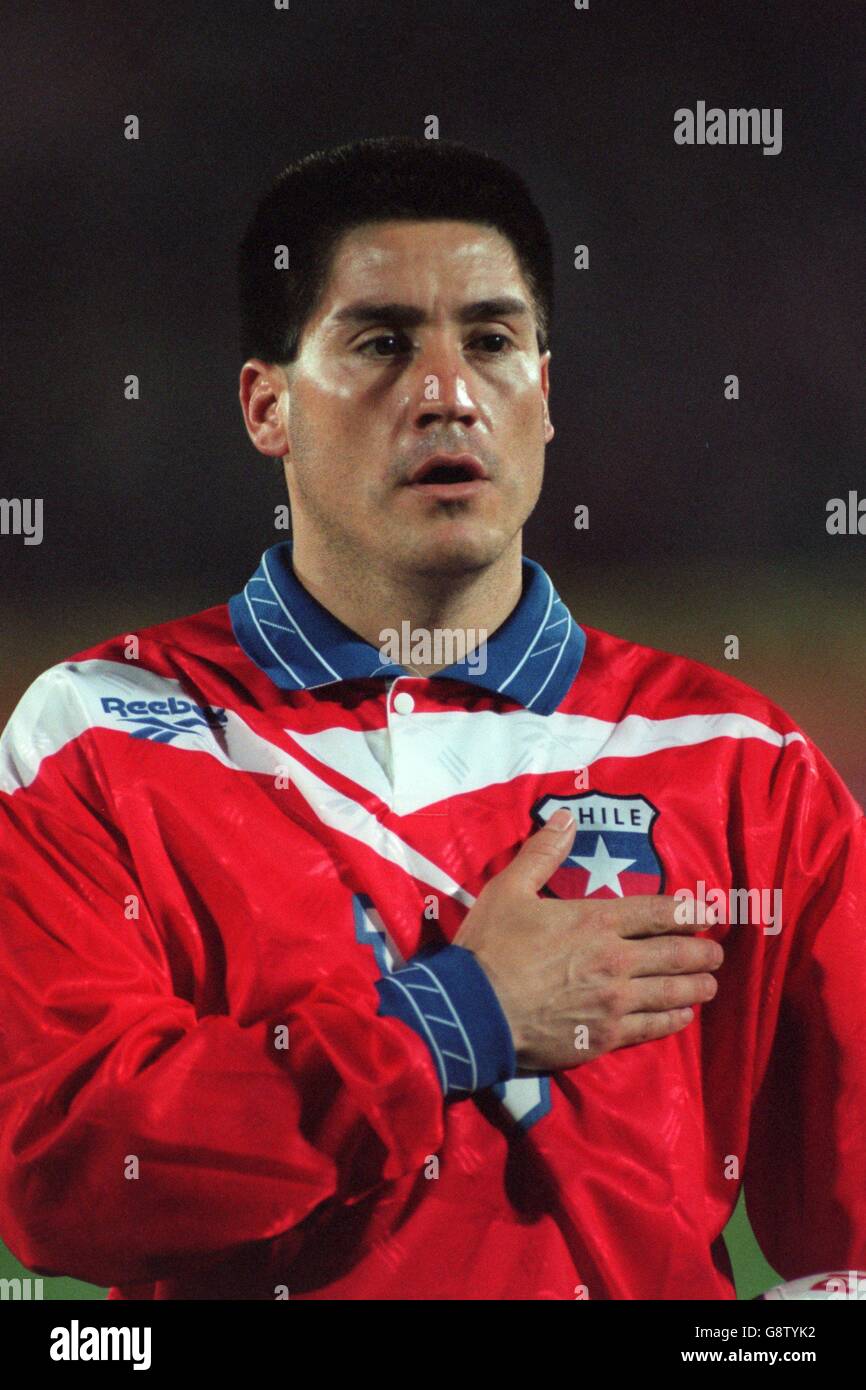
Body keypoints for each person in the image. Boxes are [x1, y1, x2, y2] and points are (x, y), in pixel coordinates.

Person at [0, 136, 863, 1301]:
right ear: (267, 406)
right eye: (380, 343)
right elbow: (64, 1173)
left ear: (544, 398)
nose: (447, 392)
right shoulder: (100, 738)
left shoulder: (738, 762)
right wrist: (454, 1020)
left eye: (493, 342)